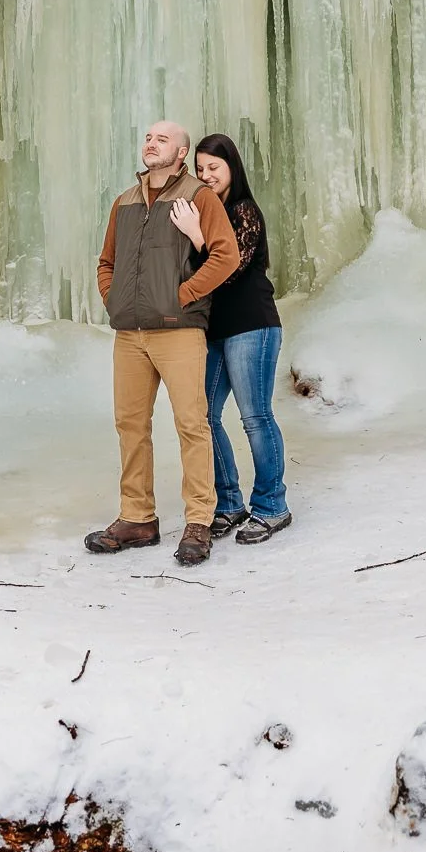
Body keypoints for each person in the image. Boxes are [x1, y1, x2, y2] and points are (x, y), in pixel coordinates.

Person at [86, 120, 239, 566]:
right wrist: (113, 298)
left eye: (162, 139)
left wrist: (183, 295)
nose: (152, 144)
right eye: (148, 138)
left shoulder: (199, 196)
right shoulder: (125, 202)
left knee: (192, 424)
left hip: (179, 332)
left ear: (181, 152)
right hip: (130, 335)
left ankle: (199, 521)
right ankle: (137, 517)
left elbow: (225, 255)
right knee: (130, 425)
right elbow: (107, 261)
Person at [171, 133, 291, 545]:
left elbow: (228, 269)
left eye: (214, 168)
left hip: (252, 325)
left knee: (255, 416)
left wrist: (197, 236)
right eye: (200, 169)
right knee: (203, 415)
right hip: (216, 331)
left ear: (232, 168)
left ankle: (272, 506)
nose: (206, 176)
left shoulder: (244, 211)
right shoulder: (207, 211)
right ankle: (229, 503)